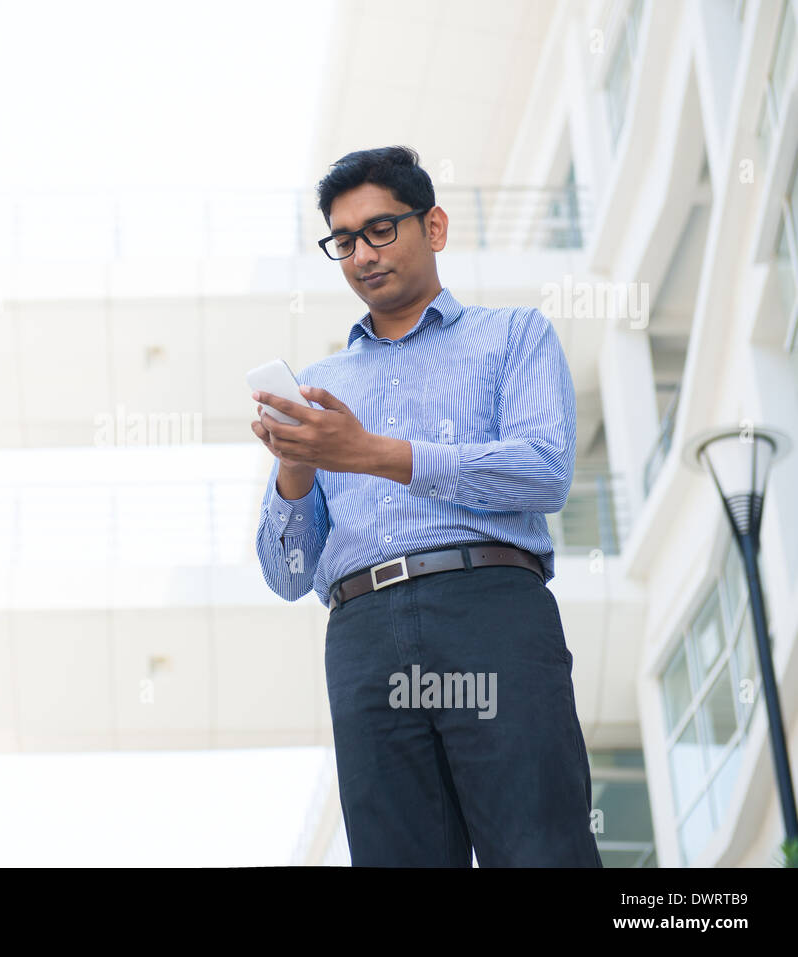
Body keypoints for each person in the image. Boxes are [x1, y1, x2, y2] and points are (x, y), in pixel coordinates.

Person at [252, 146, 601, 867]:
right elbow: (287, 574)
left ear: (434, 226)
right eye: (343, 241)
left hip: (490, 608)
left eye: (380, 228)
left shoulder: (513, 336)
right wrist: (295, 463)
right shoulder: (321, 385)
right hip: (362, 632)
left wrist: (375, 452)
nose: (361, 255)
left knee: (537, 846)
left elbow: (542, 472)